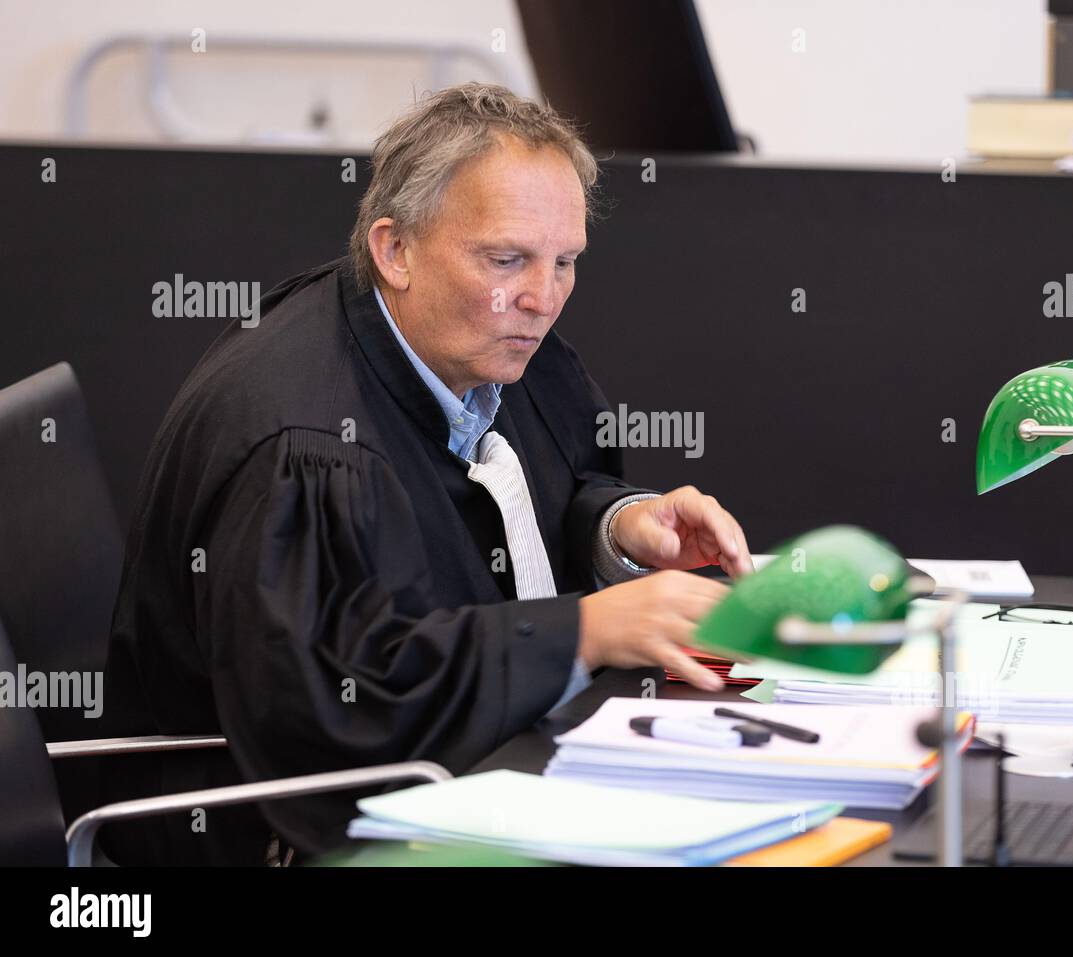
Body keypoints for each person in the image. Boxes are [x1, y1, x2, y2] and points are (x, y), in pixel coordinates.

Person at [100, 83, 753, 865]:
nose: (542, 299)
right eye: (506, 258)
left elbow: (545, 492)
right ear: (395, 249)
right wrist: (587, 630)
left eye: (566, 262)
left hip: (475, 769)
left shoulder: (479, 338)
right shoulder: (304, 445)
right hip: (273, 836)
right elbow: (334, 717)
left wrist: (621, 529)